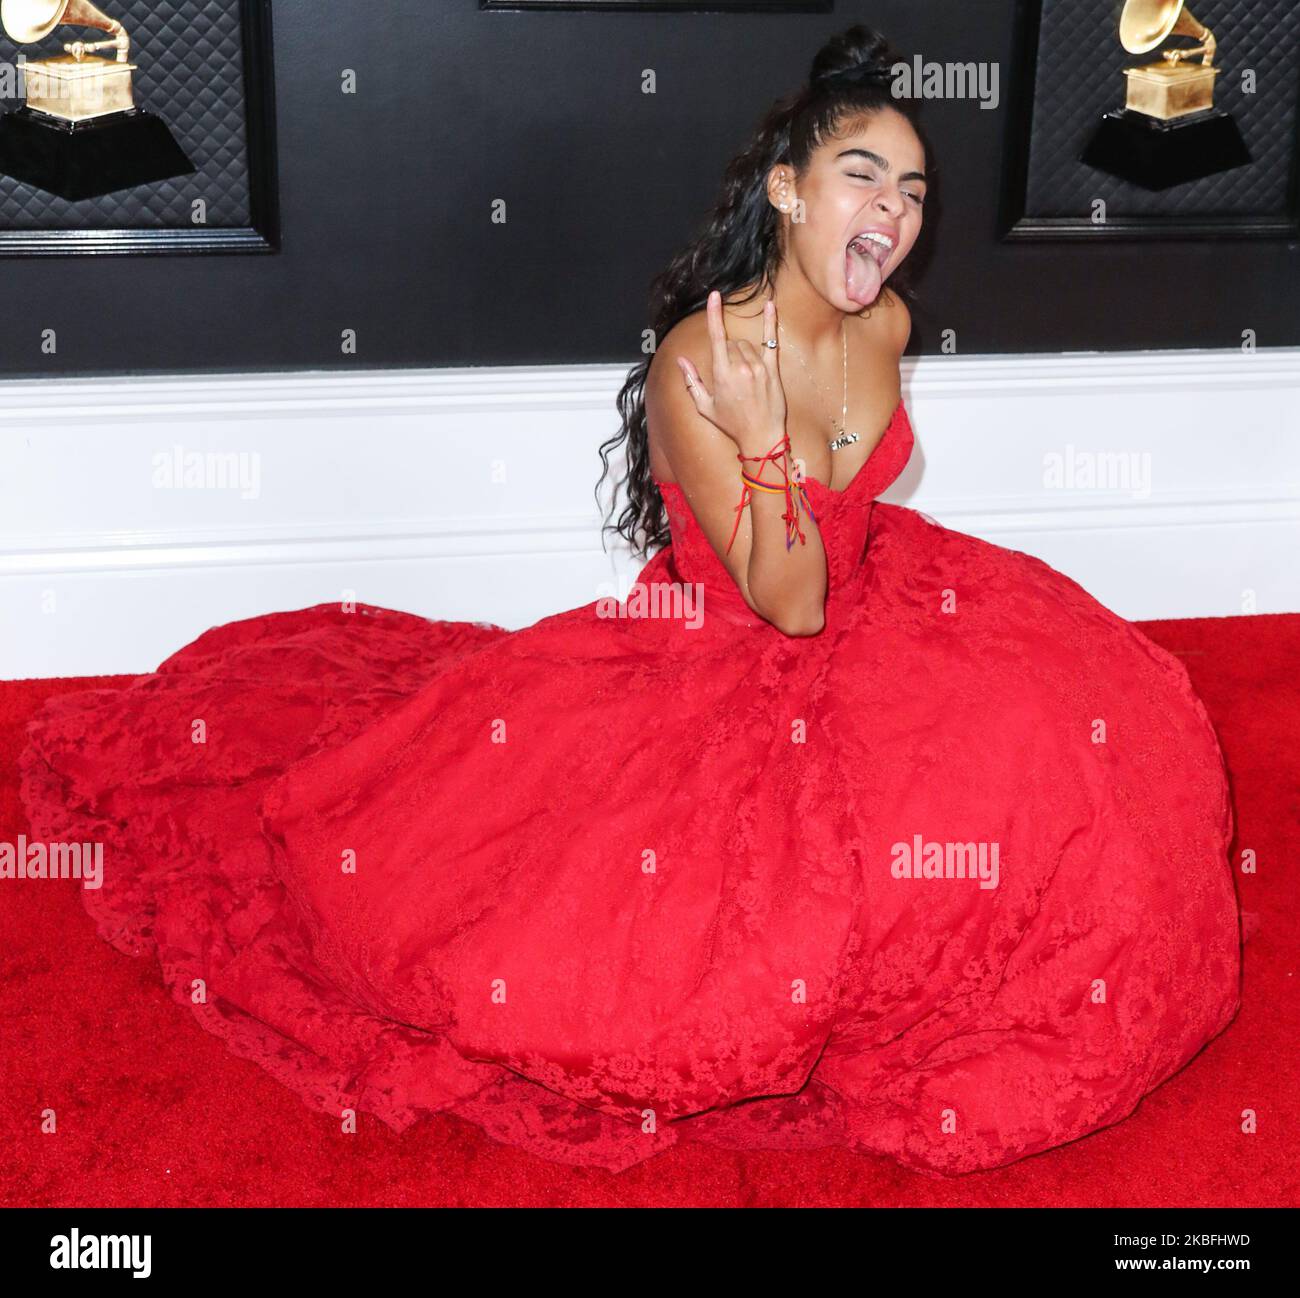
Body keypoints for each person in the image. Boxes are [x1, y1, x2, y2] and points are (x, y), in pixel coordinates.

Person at [20, 25, 1241, 1177]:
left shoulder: (893, 320)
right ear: (782, 189)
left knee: (1099, 770)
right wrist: (764, 440)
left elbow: (850, 536)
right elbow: (790, 602)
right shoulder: (696, 364)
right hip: (740, 643)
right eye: (862, 177)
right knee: (654, 949)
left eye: (912, 191)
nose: (892, 213)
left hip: (893, 600)